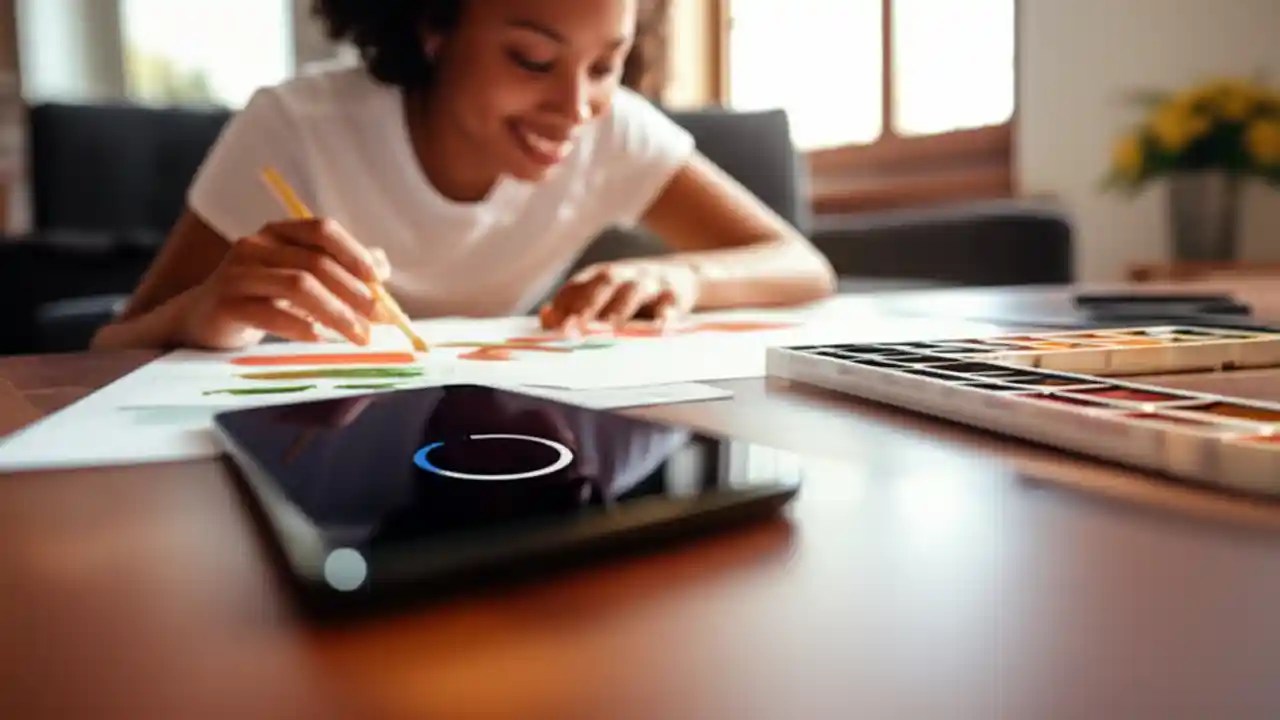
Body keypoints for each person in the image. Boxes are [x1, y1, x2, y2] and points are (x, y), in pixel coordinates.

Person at [91, 0, 836, 352]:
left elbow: (801, 265)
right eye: (533, 61)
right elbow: (110, 348)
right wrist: (209, 315)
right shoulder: (298, 129)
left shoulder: (612, 131)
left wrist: (685, 281)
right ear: (433, 25)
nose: (575, 107)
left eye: (606, 66)